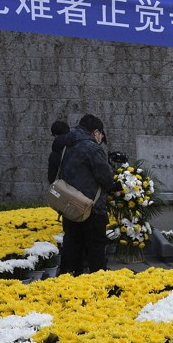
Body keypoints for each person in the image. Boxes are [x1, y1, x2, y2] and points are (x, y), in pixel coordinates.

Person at [58, 114, 116, 275]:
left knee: (73, 246)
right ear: (96, 132)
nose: (101, 139)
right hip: (92, 208)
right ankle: (97, 286)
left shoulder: (67, 146)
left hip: (70, 207)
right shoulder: (92, 148)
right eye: (101, 135)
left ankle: (72, 283)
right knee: (96, 249)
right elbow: (106, 177)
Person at [47, 119, 75, 184]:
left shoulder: (55, 152)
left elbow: (51, 177)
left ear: (55, 135)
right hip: (80, 189)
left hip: (63, 190)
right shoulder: (79, 146)